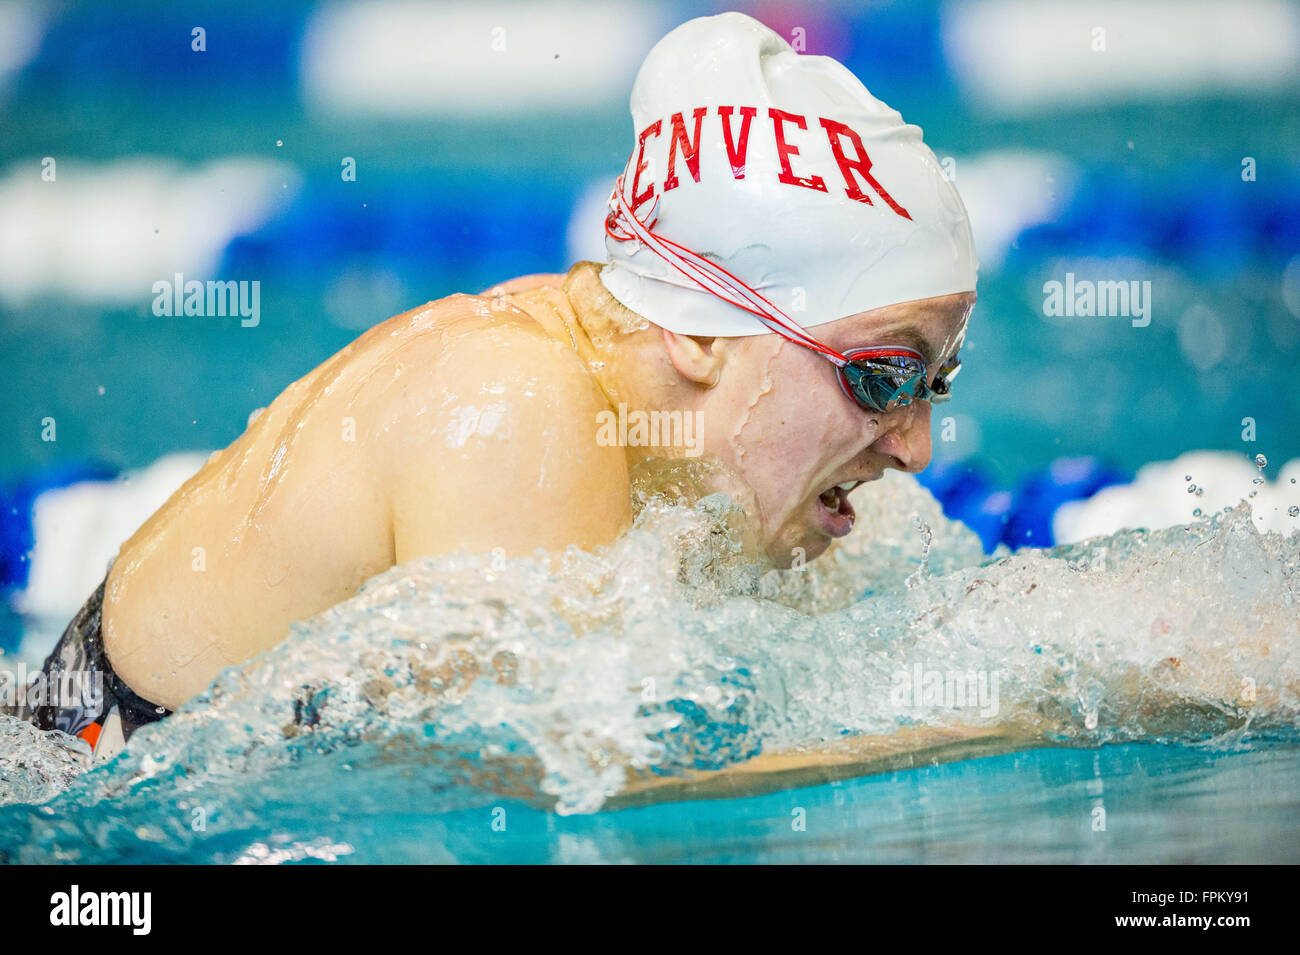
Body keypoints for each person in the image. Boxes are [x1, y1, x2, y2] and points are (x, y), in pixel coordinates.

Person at [18, 12, 977, 761]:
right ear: (697, 330)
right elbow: (543, 800)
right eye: (884, 374)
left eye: (938, 377)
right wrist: (980, 732)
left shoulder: (646, 421)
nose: (917, 443)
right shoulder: (522, 406)